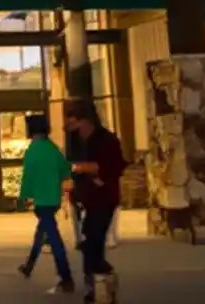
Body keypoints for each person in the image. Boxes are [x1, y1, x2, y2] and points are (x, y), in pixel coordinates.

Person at [65, 100, 128, 303]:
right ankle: (94, 285)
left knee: (93, 239)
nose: (68, 123)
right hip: (83, 197)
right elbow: (71, 165)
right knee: (88, 242)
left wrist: (94, 169)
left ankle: (103, 277)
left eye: (71, 118)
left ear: (85, 120)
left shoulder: (106, 140)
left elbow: (117, 166)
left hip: (103, 197)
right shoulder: (74, 140)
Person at [16, 114, 75, 294]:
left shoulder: (32, 151)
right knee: (42, 232)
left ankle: (66, 277)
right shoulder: (53, 149)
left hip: (40, 200)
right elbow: (65, 169)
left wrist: (23, 197)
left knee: (54, 239)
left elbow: (28, 177)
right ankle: (29, 265)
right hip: (53, 198)